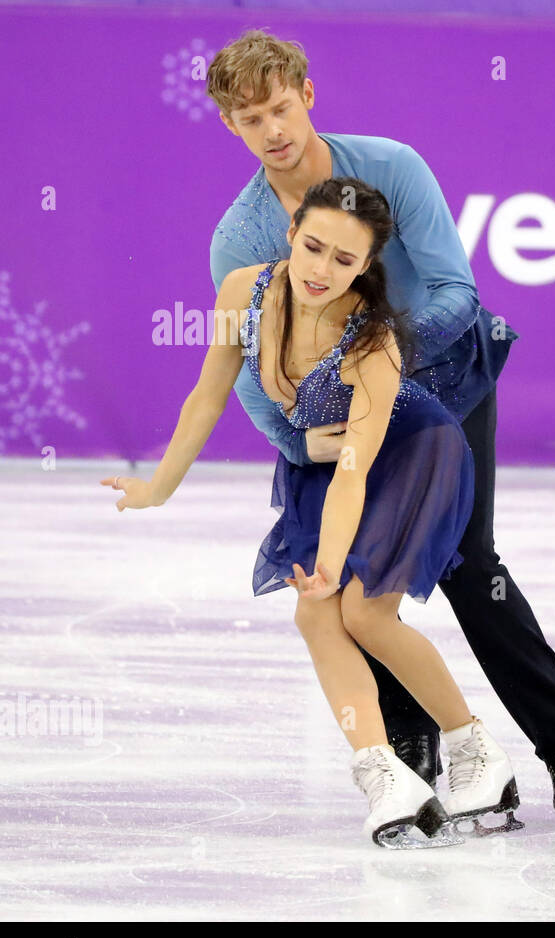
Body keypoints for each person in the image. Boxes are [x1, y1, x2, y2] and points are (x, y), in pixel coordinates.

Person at [204, 29, 555, 822]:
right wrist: (299, 441)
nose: (274, 130)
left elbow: (455, 291)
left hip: (446, 388)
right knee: (357, 575)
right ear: (231, 124)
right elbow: (254, 378)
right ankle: (413, 751)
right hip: (342, 416)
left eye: (282, 107)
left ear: (308, 94)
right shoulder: (241, 238)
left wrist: (383, 350)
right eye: (251, 117)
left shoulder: (392, 168)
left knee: (470, 565)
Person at [102, 177, 521, 848]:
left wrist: (329, 564)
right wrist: (160, 486)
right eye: (314, 247)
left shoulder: (372, 340)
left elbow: (356, 469)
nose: (323, 270)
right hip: (322, 463)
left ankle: (476, 752)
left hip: (408, 455)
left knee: (360, 610)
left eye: (345, 260)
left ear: (366, 267)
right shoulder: (242, 289)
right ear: (293, 233)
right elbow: (208, 395)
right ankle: (384, 775)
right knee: (313, 612)